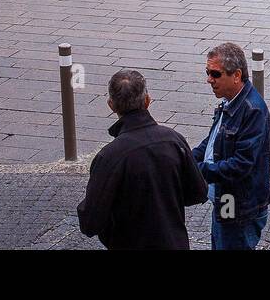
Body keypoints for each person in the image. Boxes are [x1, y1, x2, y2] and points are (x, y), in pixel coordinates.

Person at [77, 69, 207, 251]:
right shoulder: (173, 140)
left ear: (111, 105)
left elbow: (90, 222)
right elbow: (198, 192)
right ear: (147, 100)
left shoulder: (110, 156)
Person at [192, 43, 270, 251]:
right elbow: (212, 142)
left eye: (216, 74)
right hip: (226, 199)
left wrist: (198, 170)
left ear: (236, 75)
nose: (209, 79)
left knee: (230, 240)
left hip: (237, 203)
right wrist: (188, 157)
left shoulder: (252, 110)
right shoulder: (230, 102)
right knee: (222, 240)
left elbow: (240, 165)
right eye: (208, 72)